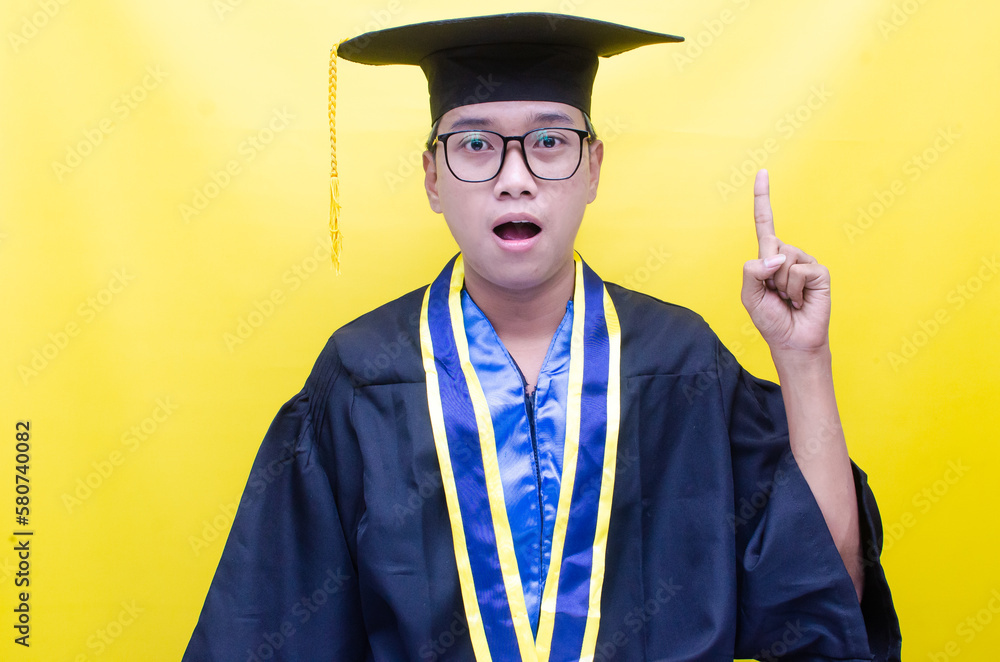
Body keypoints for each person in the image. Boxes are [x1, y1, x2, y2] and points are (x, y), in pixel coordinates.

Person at [183, 13, 901, 661]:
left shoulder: (681, 365)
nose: (515, 179)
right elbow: (267, 634)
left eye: (550, 142)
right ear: (432, 178)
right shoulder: (363, 375)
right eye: (474, 144)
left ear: (593, 168)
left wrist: (803, 359)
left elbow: (824, 594)